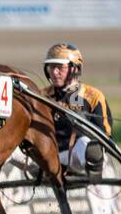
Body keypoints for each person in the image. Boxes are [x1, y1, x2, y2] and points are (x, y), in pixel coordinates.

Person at [41, 43, 113, 178]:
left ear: (74, 69)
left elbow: (106, 136)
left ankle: (94, 175)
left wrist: (81, 126)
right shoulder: (41, 96)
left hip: (78, 157)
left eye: (60, 67)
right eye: (51, 67)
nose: (55, 72)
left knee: (84, 143)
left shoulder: (93, 96)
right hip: (48, 156)